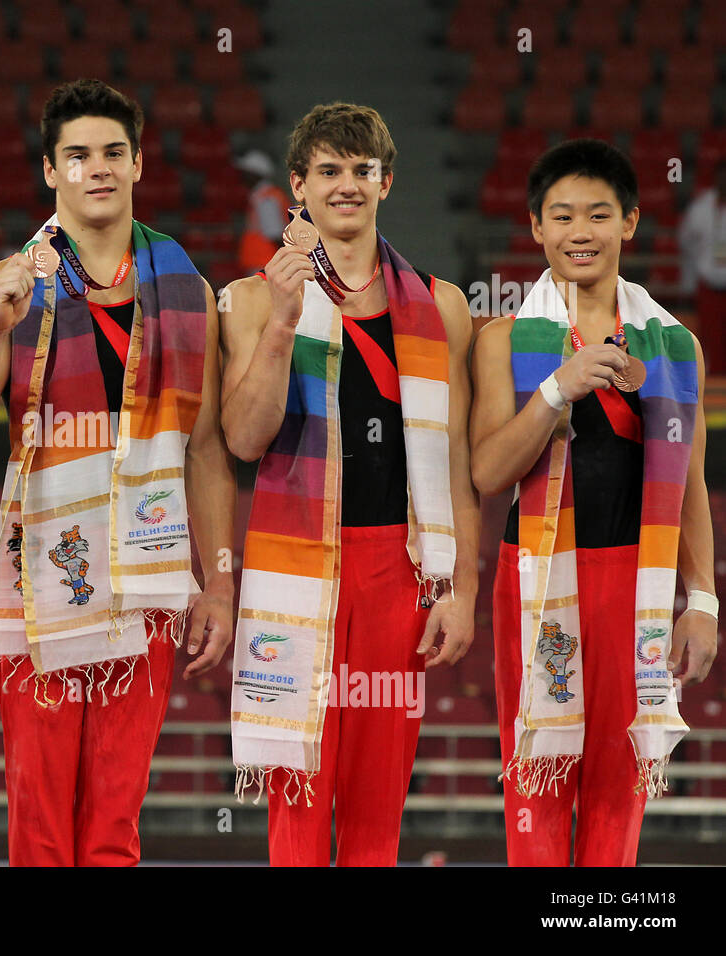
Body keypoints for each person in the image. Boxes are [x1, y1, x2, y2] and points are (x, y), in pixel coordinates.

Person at [0, 78, 235, 867]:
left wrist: (220, 580)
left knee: (113, 821)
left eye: (112, 152)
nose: (96, 168)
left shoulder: (186, 290)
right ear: (50, 172)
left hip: (150, 582)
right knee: (39, 823)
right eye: (77, 156)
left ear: (139, 163)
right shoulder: (7, 285)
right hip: (38, 583)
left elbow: (204, 448)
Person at [224, 103, 479, 866]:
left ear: (387, 183)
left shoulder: (443, 306)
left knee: (377, 806)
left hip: (398, 574)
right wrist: (281, 322)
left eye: (361, 171)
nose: (346, 185)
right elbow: (242, 439)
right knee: (296, 799)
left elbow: (458, 468)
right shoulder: (248, 297)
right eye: (327, 171)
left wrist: (460, 589)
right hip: (297, 561)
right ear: (297, 187)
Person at [471, 139, 717, 866]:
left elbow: (692, 481)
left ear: (630, 223)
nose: (581, 232)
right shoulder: (504, 341)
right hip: (543, 576)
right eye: (563, 216)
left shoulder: (678, 347)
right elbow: (488, 472)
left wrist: (701, 599)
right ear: (537, 228)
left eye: (599, 215)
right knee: (539, 790)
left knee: (619, 793)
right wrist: (557, 388)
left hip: (635, 582)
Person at [677, 161, 726, 373]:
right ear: (716, 179)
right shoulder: (700, 208)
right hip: (707, 282)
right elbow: (685, 244)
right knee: (708, 336)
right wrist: (688, 282)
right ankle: (711, 383)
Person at [235, 149, 288, 276]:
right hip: (264, 263)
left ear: (256, 174)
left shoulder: (266, 199)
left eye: (246, 172)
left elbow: (274, 234)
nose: (242, 176)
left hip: (265, 264)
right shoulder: (262, 196)